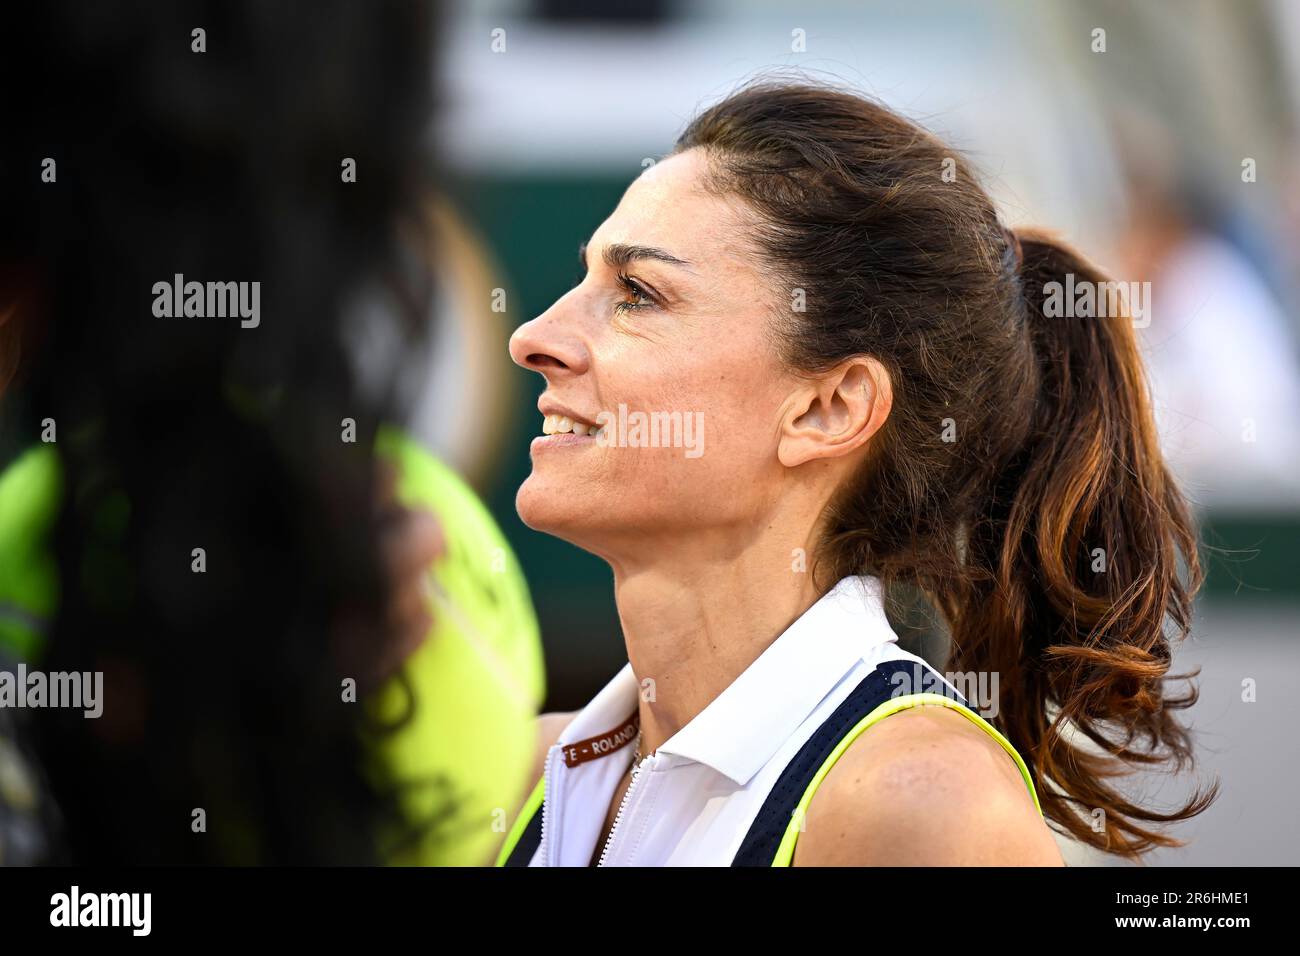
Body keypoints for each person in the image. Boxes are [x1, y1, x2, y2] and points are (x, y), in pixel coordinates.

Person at [497, 81, 1214, 866]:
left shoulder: (925, 805)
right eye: (587, 279)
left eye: (638, 293)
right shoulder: (517, 772)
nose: (535, 337)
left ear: (828, 409)